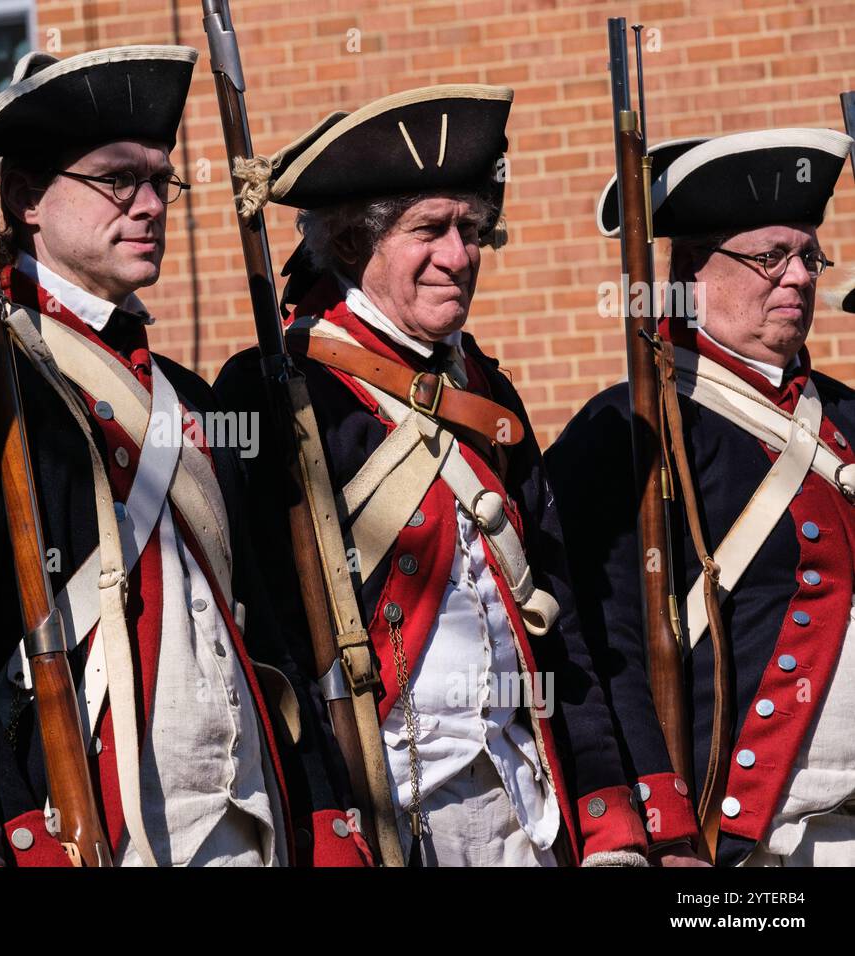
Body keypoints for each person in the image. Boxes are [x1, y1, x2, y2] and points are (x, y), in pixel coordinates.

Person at [0, 45, 351, 866]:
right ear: (27, 198)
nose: (149, 204)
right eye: (117, 180)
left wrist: (324, 814)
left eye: (161, 182)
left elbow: (263, 623)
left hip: (246, 822)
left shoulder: (191, 398)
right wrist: (10, 837)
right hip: (91, 832)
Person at [213, 85, 649, 866]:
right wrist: (324, 831)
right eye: (430, 230)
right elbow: (265, 640)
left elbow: (562, 619)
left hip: (528, 809)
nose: (459, 256)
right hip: (387, 821)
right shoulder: (275, 391)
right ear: (353, 244)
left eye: (472, 229)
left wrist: (610, 820)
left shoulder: (485, 390)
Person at [548, 127, 855, 867]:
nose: (797, 278)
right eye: (767, 256)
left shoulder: (846, 416)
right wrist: (658, 824)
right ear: (689, 273)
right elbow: (599, 642)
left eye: (807, 255)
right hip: (757, 841)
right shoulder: (628, 425)